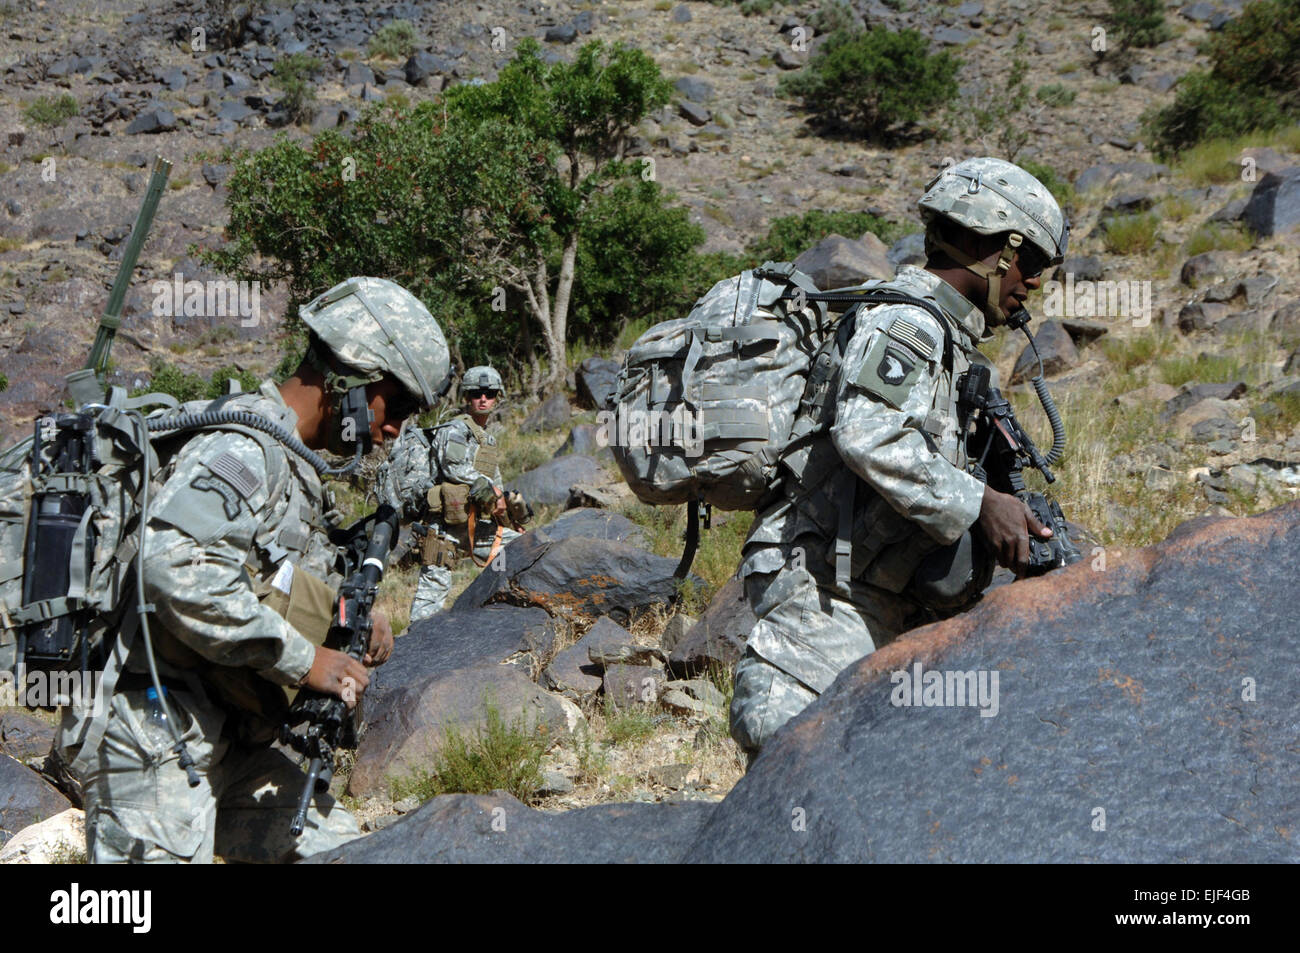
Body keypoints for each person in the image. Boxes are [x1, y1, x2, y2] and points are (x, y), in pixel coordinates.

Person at [54, 276, 450, 863]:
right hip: (151, 732)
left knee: (340, 852)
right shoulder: (243, 448)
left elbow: (270, 579)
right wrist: (305, 661)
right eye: (396, 405)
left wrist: (348, 614)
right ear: (348, 381)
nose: (394, 429)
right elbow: (174, 568)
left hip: (228, 734)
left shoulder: (296, 467)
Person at [729, 157, 1068, 761]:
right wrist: (981, 505)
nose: (1034, 282)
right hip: (824, 590)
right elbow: (868, 433)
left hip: (872, 589)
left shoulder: (948, 339)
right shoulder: (907, 322)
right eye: (1032, 262)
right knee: (798, 767)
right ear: (993, 245)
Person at [381, 365, 525, 623]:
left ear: (497, 397)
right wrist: (492, 490)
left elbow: (495, 482)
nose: (483, 398)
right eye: (476, 393)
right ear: (466, 397)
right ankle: (415, 647)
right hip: (443, 527)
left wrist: (506, 508)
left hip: (477, 525)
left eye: (490, 393)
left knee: (519, 549)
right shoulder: (454, 430)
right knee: (431, 595)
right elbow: (453, 467)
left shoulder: (487, 441)